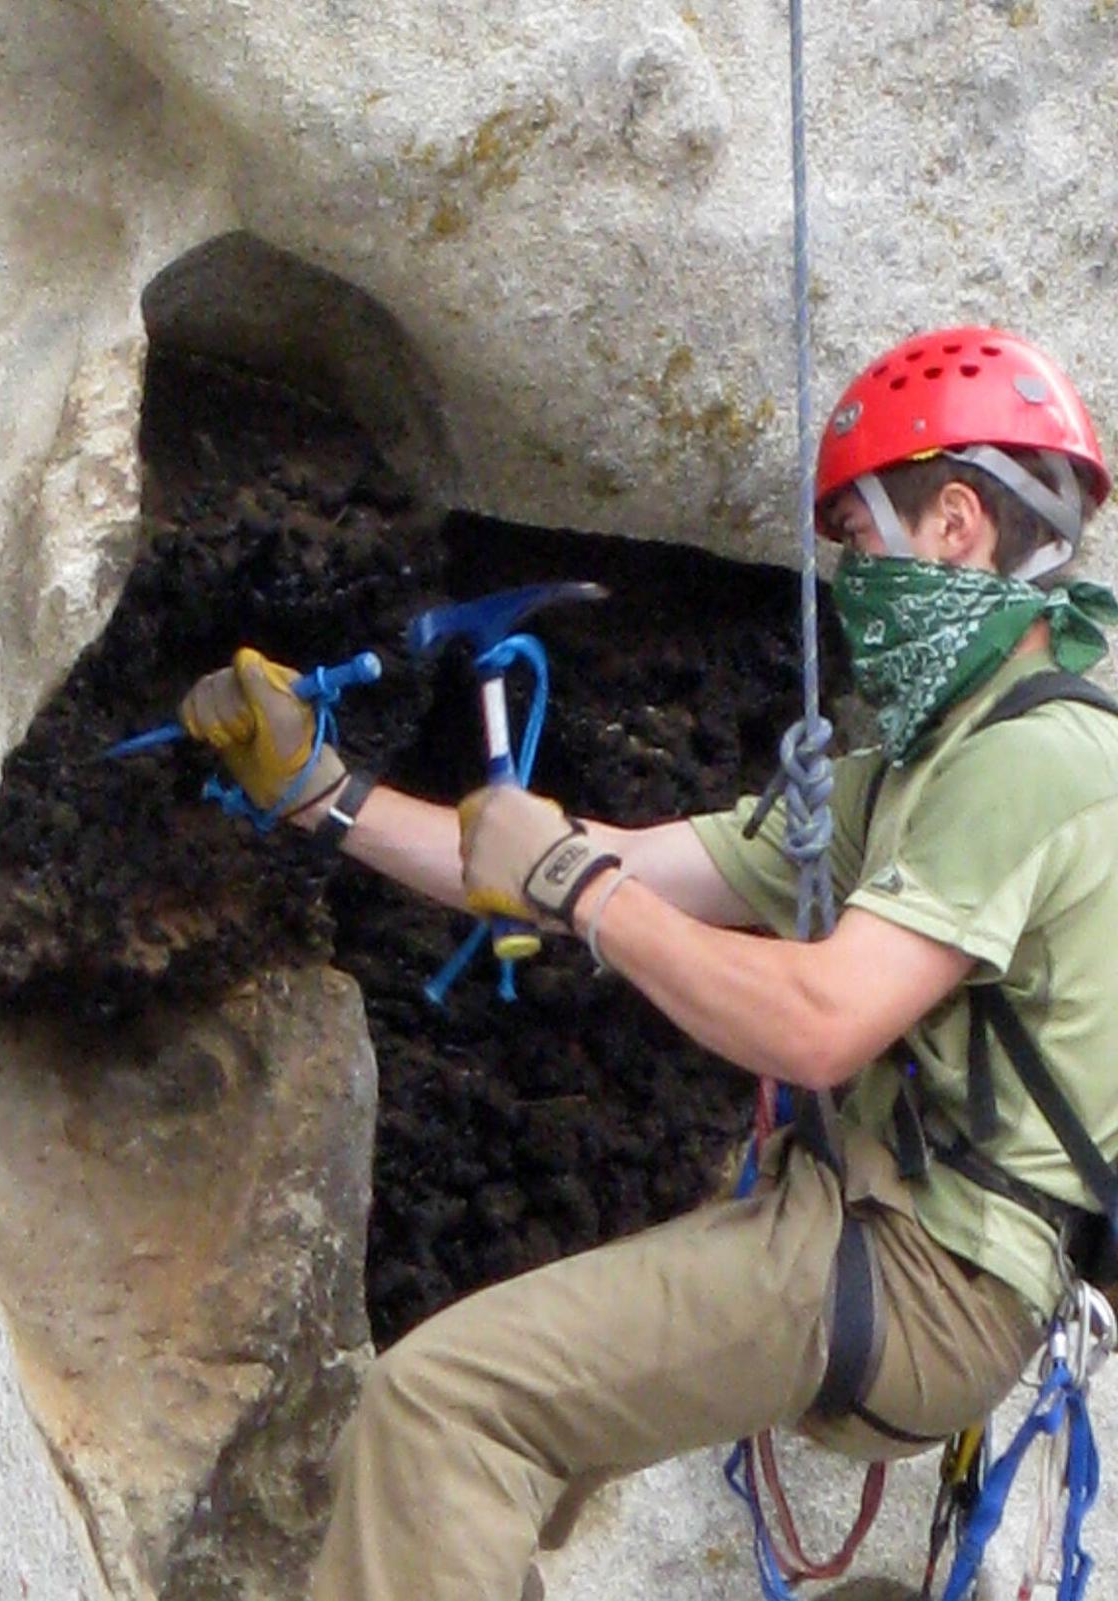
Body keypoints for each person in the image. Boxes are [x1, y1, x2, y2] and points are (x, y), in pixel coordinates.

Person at [181, 325, 1118, 1601]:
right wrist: (323, 796)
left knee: (447, 1404)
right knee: (493, 1439)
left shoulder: (1035, 758)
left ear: (956, 523)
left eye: (858, 538)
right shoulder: (905, 777)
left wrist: (580, 884)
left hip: (924, 1273)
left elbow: (820, 1021)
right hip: (861, 1237)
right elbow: (594, 858)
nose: (846, 579)